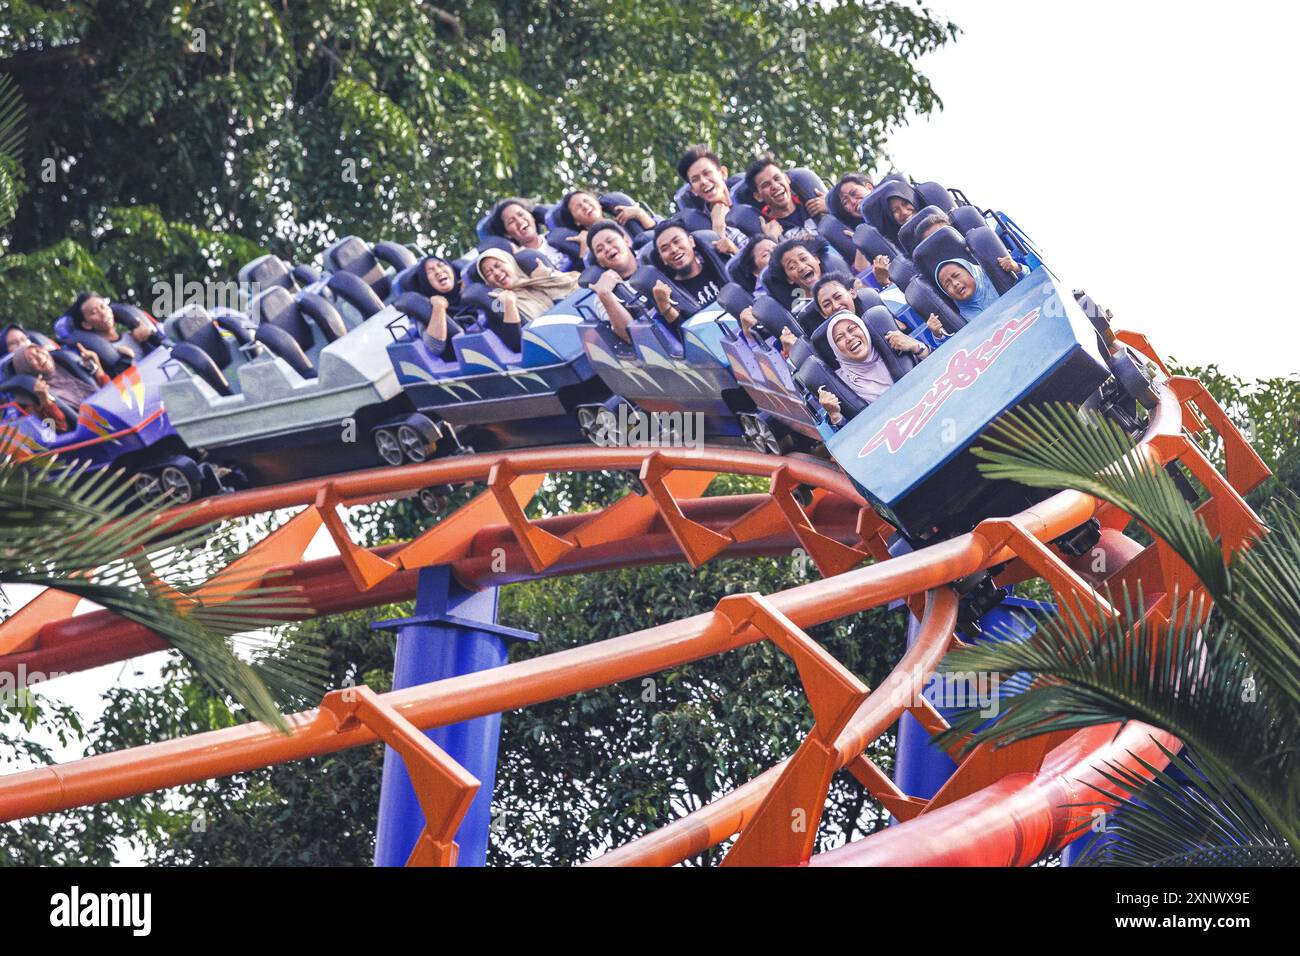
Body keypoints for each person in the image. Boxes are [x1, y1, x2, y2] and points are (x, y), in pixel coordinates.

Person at [815, 311, 927, 427]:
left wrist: (917, 347)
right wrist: (835, 416)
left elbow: (937, 369)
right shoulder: (838, 384)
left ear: (864, 330)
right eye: (839, 338)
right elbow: (852, 435)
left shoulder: (894, 343)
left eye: (852, 329)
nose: (849, 338)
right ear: (835, 349)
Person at [474, 247, 579, 352]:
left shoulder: (537, 279)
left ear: (510, 263)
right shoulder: (497, 305)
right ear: (487, 282)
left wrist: (549, 276)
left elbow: (577, 289)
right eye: (489, 273)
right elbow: (517, 345)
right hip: (550, 349)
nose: (496, 273)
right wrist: (510, 305)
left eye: (498, 265)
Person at [8, 342, 111, 432]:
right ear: (26, 368)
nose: (39, 357)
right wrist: (45, 401)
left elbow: (111, 392)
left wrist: (97, 366)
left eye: (38, 351)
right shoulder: (33, 397)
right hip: (95, 432)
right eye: (31, 359)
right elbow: (62, 429)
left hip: (112, 411)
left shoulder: (68, 364)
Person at [650, 221, 728, 324]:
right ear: (662, 259)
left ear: (691, 241)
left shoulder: (719, 267)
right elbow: (681, 335)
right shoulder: (670, 295)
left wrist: (735, 253)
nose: (673, 249)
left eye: (677, 241)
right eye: (665, 248)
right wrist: (664, 306)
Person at [586, 220, 650, 343]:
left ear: (626, 240)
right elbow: (630, 337)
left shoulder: (653, 259)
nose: (607, 248)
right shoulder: (602, 297)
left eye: (610, 241)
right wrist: (605, 295)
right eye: (600, 249)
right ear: (600, 262)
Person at [675, 145, 746, 253]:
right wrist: (718, 228)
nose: (703, 181)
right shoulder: (699, 227)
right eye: (695, 179)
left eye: (707, 173)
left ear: (723, 173)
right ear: (693, 189)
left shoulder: (751, 196)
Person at [67, 292, 160, 375]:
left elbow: (166, 347)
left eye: (103, 306)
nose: (103, 313)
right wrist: (126, 359)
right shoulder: (97, 356)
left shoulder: (134, 335)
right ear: (86, 325)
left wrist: (151, 336)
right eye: (94, 312)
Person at [744, 154, 827, 241]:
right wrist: (771, 239)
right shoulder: (768, 229)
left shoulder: (812, 200)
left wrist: (831, 208)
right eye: (766, 185)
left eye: (777, 178)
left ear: (787, 178)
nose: (775, 186)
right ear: (758, 196)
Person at [408, 255, 474, 361]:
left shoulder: (471, 289)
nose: (438, 271)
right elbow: (435, 347)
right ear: (425, 281)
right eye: (430, 271)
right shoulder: (425, 310)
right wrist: (439, 308)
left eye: (441, 265)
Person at [559, 189, 656, 260]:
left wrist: (640, 214)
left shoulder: (625, 220)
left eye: (586, 201)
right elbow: (589, 274)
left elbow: (659, 235)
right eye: (578, 207)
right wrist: (585, 247)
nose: (585, 206)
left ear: (598, 203)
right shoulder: (586, 242)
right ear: (576, 221)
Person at [487, 198, 573, 271]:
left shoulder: (560, 236)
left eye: (521, 214)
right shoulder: (517, 264)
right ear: (507, 234)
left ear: (532, 216)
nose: (520, 221)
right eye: (511, 221)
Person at [934, 256, 1024, 322]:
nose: (955, 284)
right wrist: (938, 334)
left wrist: (1017, 269)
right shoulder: (960, 319)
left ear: (971, 271)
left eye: (956, 275)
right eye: (947, 285)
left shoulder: (998, 278)